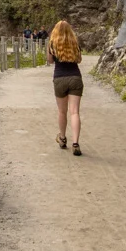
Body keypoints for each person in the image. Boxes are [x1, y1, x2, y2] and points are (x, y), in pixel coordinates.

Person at [47, 19, 83, 155]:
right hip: (75, 77)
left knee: (62, 112)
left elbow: (50, 61)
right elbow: (79, 60)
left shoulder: (52, 43)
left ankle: (62, 138)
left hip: (60, 78)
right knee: (75, 112)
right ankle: (76, 143)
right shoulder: (75, 43)